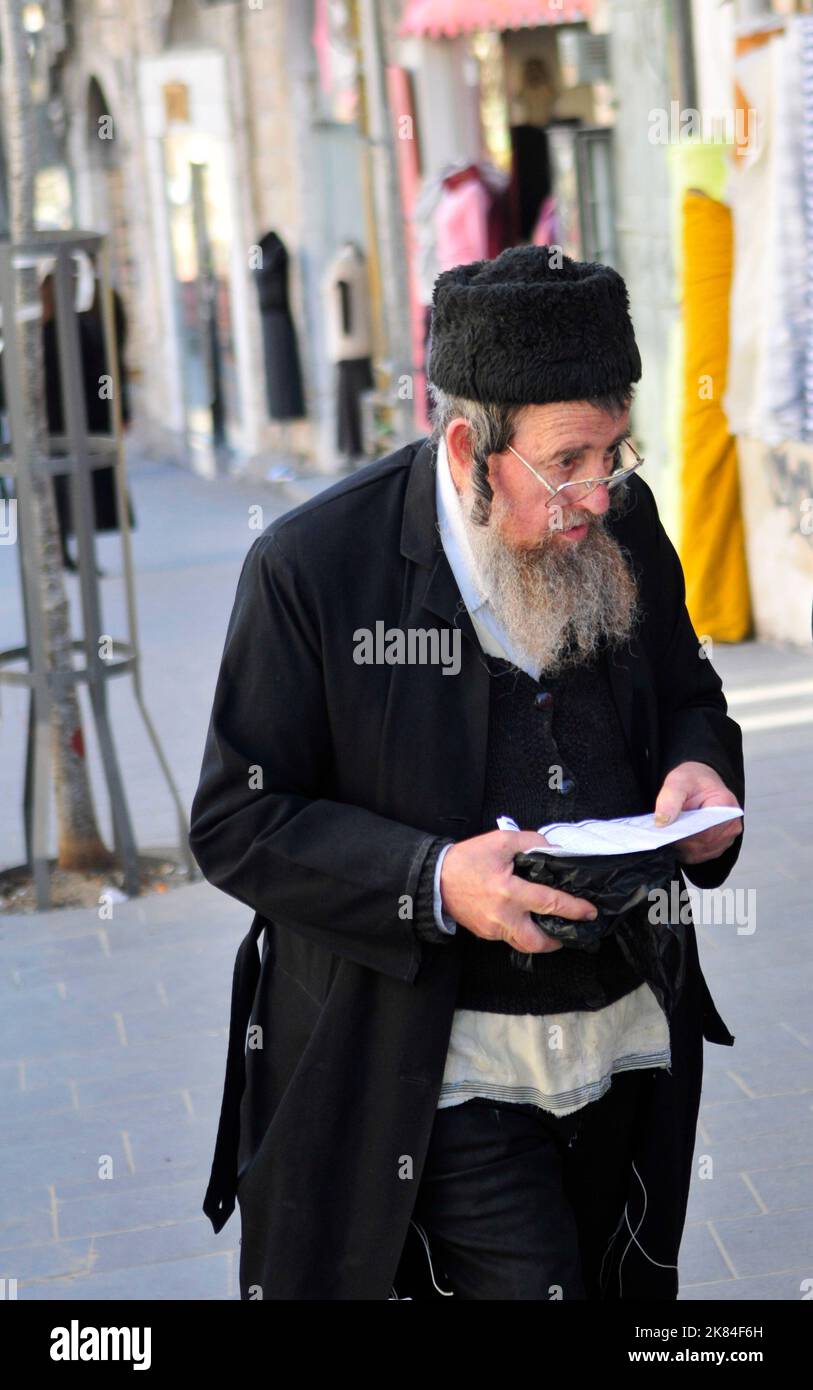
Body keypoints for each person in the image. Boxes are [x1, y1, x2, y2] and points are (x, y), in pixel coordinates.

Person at [189, 246, 745, 1301]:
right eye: (568, 460)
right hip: (437, 1071)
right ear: (466, 446)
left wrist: (698, 772)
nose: (598, 491)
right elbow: (236, 822)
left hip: (626, 1043)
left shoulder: (625, 521)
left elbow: (690, 694)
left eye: (614, 451)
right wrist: (436, 879)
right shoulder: (314, 569)